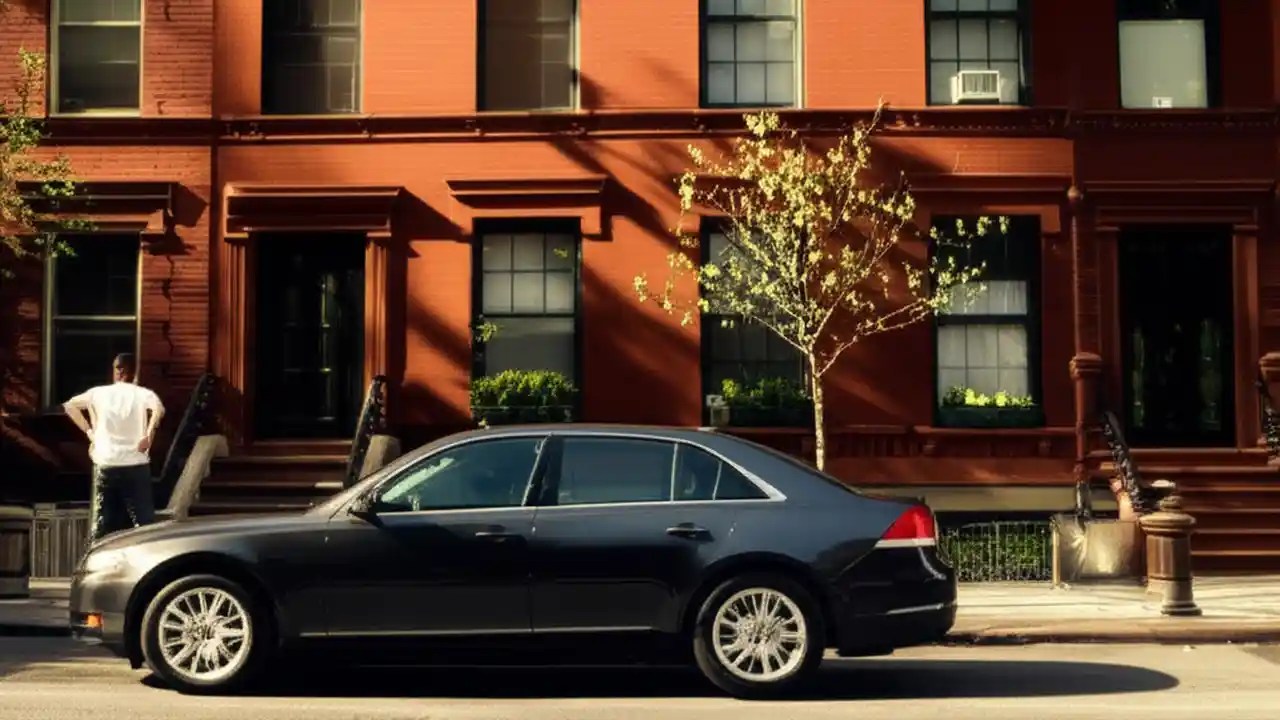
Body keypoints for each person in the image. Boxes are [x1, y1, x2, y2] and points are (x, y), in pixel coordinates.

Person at [63, 353, 165, 541]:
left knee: (102, 523)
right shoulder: (143, 394)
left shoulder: (98, 393)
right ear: (134, 372)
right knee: (143, 523)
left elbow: (69, 406)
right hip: (135, 462)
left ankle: (96, 562)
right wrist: (148, 435)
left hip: (106, 461)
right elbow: (158, 409)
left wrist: (90, 433)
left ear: (116, 371)